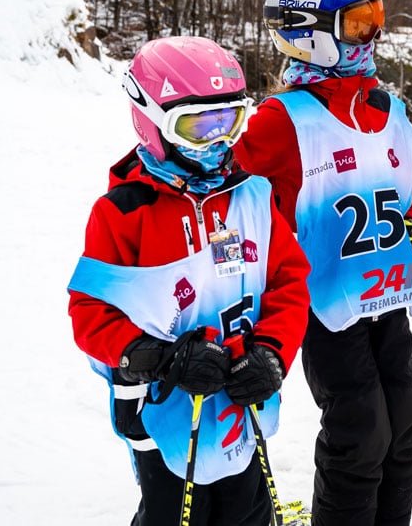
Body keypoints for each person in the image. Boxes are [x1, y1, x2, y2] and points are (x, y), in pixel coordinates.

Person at [67, 36, 311, 526]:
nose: (219, 141)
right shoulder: (124, 213)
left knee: (247, 512)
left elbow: (289, 283)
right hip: (161, 411)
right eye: (199, 127)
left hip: (241, 399)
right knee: (175, 514)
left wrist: (272, 352)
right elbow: (90, 314)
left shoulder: (253, 196)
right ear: (152, 121)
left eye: (230, 122)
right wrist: (158, 357)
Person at [233, 0, 412, 526]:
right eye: (358, 23)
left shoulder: (389, 112)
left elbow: (401, 196)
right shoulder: (281, 121)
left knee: (405, 427)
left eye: (376, 18)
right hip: (324, 302)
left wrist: (410, 233)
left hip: (386, 291)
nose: (373, 35)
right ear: (310, 34)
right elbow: (234, 200)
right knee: (359, 430)